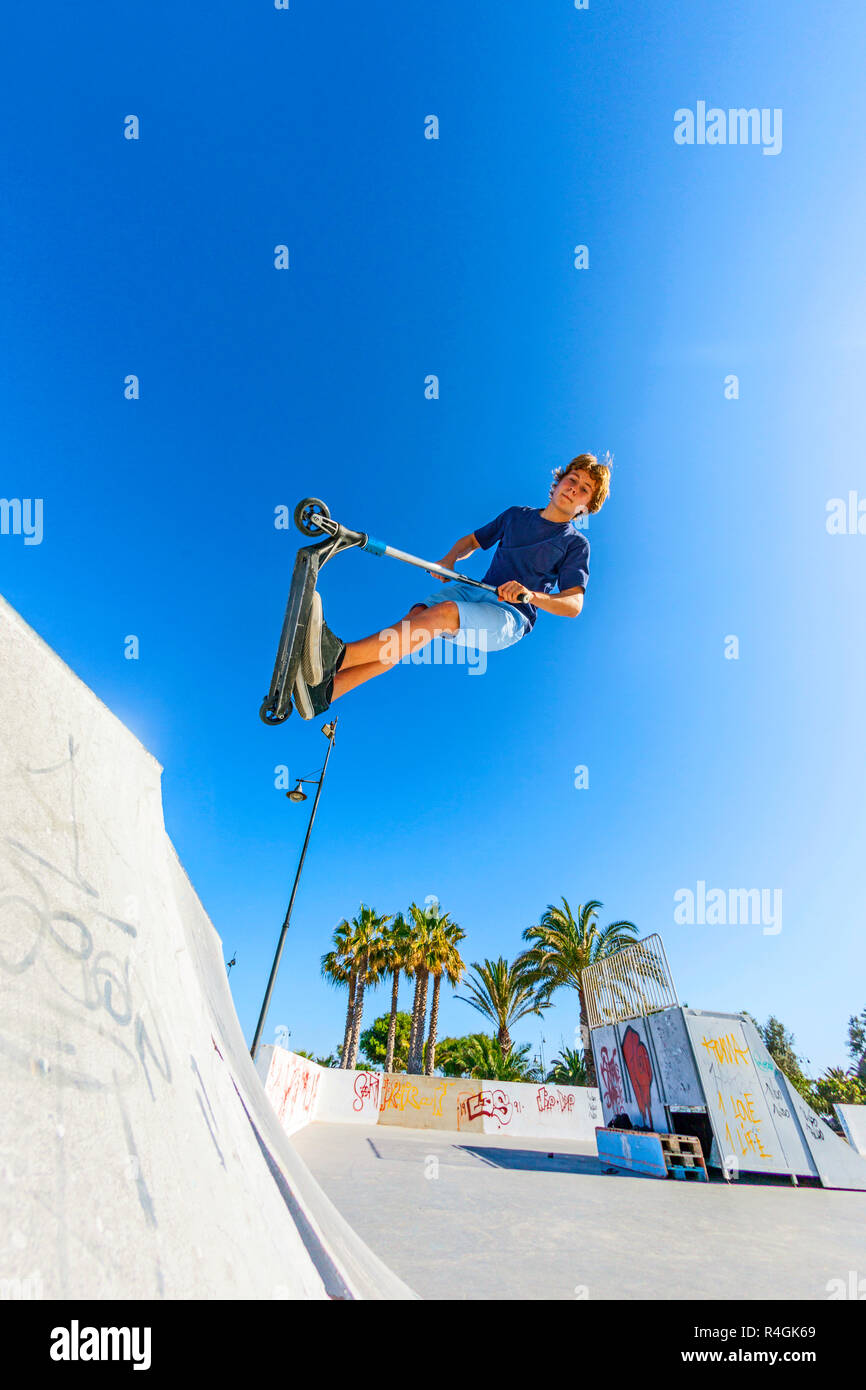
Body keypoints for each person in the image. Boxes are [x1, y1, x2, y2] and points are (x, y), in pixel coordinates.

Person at [292, 452, 611, 718]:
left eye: (584, 490)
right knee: (410, 627)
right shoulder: (516, 516)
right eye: (573, 479)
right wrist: (449, 560)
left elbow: (573, 605)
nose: (574, 489)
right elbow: (473, 540)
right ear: (558, 482)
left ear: (586, 505)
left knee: (442, 614)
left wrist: (531, 595)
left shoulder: (575, 544)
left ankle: (336, 657)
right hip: (476, 591)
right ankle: (327, 693)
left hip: (511, 616)